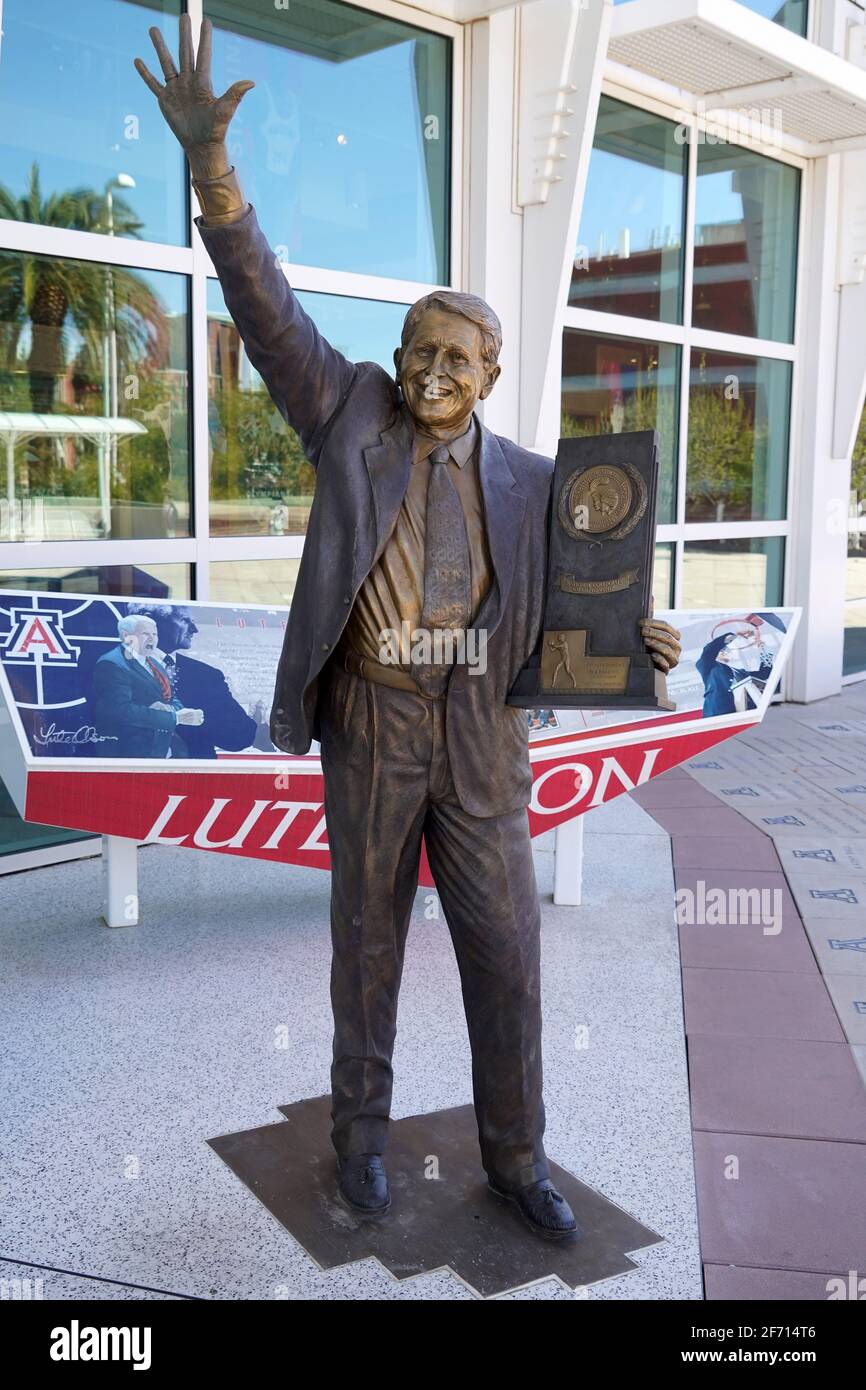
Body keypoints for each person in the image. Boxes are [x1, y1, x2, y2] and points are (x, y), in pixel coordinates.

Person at [135, 18, 681, 1240]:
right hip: (374, 716)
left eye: (458, 356)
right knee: (366, 943)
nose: (434, 368)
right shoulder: (347, 412)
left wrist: (637, 633)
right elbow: (263, 307)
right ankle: (360, 1142)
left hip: (484, 731)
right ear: (397, 358)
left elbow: (576, 598)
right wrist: (214, 173)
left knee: (506, 956)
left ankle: (516, 1158)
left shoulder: (537, 480)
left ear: (490, 375)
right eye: (421, 348)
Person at [125, 603, 272, 758]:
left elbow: (240, 735)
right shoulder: (112, 667)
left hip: (195, 777)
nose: (194, 629)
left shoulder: (207, 676)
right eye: (184, 620)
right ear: (148, 622)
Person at [91, 614, 204, 758]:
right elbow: (120, 711)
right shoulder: (112, 664)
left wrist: (179, 711)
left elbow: (170, 697)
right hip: (129, 752)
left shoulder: (154, 663)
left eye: (155, 634)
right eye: (145, 634)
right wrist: (174, 717)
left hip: (161, 748)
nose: (152, 639)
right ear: (126, 636)